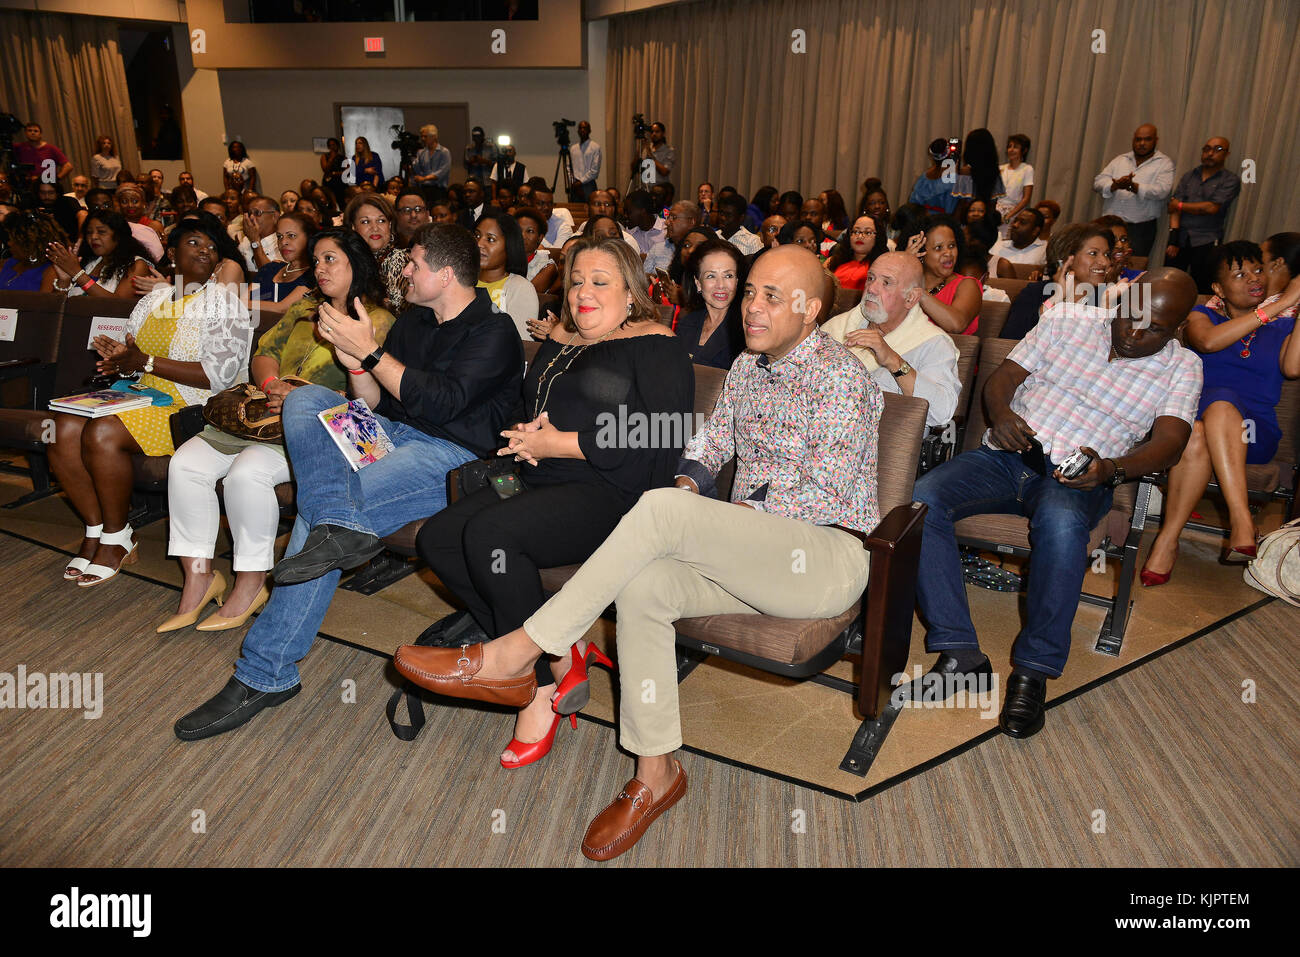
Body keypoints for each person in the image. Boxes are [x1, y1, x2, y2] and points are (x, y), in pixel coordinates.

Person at [392, 244, 882, 861]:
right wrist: (688, 494)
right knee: (643, 586)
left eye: (770, 297)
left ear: (810, 310)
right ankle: (657, 773)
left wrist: (697, 517)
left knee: (659, 511)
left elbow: (824, 496)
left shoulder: (839, 376)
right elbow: (706, 449)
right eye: (750, 291)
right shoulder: (748, 371)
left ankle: (519, 651)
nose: (751, 307)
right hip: (749, 553)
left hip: (820, 558)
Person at [173, 223, 524, 741]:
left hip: (448, 457)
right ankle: (337, 520)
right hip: (385, 431)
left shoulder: (495, 333)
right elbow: (374, 405)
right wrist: (356, 363)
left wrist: (374, 354)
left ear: (446, 275)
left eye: (415, 264)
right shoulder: (414, 322)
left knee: (319, 520)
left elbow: (442, 404)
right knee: (307, 399)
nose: (404, 271)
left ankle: (263, 673)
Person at [413, 235, 694, 767]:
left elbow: (662, 433)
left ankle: (536, 689)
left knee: (492, 536)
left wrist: (557, 443)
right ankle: (558, 649)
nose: (583, 293)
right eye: (577, 282)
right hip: (541, 481)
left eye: (600, 282)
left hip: (615, 495)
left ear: (631, 292)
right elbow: (538, 406)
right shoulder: (564, 338)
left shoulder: (656, 342)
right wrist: (528, 436)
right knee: (439, 538)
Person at [911, 267, 1202, 738]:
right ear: (1123, 299)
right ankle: (961, 651)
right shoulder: (1067, 319)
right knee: (921, 498)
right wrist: (1003, 414)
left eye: (1156, 329)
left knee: (1063, 528)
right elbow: (1002, 378)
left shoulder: (1182, 365)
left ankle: (1033, 671)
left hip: (1080, 477)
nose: (1134, 332)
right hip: (1008, 456)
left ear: (1179, 329)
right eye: (1131, 316)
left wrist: (1110, 469)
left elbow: (1171, 441)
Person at [163, 229, 397, 633]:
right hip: (266, 415)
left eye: (330, 260)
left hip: (334, 423)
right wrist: (274, 388)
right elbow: (265, 352)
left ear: (356, 264)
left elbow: (372, 397)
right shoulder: (306, 306)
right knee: (185, 464)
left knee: (247, 473)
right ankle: (200, 576)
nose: (319, 269)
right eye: (317, 260)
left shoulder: (379, 319)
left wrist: (301, 398)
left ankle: (252, 582)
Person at [50, 217, 254, 587]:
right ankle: (97, 528)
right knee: (62, 428)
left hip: (193, 406)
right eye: (194, 243)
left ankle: (116, 538)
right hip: (141, 394)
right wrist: (119, 361)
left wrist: (142, 362)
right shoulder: (153, 299)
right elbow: (134, 363)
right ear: (172, 255)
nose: (206, 250)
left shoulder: (226, 304)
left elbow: (219, 376)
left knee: (102, 433)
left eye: (211, 245)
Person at [1141, 243, 1300, 584]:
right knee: (1197, 431)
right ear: (1218, 288)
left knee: (1221, 405)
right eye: (1239, 274)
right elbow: (1210, 343)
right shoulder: (1202, 315)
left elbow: (1293, 368)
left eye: (1258, 270)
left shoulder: (1283, 327)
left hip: (1253, 433)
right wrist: (1282, 303)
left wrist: (1295, 312)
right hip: (1195, 430)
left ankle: (1224, 523)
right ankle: (1183, 536)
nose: (1253, 279)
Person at [822, 251, 961, 429]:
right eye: (871, 278)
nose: (872, 288)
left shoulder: (932, 343)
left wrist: (892, 360)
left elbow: (941, 412)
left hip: (879, 445)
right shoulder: (837, 327)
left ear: (911, 298)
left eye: (886, 283)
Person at [1001, 223, 1115, 341]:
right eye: (1093, 253)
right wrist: (1056, 299)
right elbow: (1010, 341)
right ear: (1065, 258)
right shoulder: (1035, 293)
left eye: (1106, 254)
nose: (1105, 262)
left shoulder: (1109, 299)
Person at [1168, 137, 1242, 293]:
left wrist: (1181, 205)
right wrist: (1173, 239)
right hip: (1180, 238)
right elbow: (1173, 208)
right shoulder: (1189, 176)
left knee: (1202, 286)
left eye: (1217, 149)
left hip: (1207, 239)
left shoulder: (1230, 180)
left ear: (1227, 154)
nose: (1210, 153)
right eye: (1207, 149)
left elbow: (1211, 208)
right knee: (1169, 282)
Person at [1092, 124, 1175, 258]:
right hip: (1109, 226)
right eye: (1138, 139)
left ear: (1156, 140)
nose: (1142, 143)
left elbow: (1162, 191)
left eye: (1147, 139)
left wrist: (1134, 187)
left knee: (1132, 268)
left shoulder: (1164, 163)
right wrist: (1115, 185)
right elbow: (1098, 182)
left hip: (1140, 230)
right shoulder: (1120, 160)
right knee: (1102, 262)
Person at [46, 209, 153, 298]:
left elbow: (118, 306)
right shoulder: (89, 262)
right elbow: (54, 309)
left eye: (101, 232)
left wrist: (77, 273)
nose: (93, 237)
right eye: (89, 232)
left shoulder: (137, 265)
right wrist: (64, 280)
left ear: (119, 235)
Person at [674, 238, 747, 368]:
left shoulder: (746, 329)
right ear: (698, 284)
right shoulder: (687, 323)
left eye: (728, 276)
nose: (720, 285)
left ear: (737, 281)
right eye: (711, 276)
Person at [475, 211, 538, 339]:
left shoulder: (520, 288)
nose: (479, 244)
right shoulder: (460, 280)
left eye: (490, 239)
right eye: (476, 236)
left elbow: (519, 344)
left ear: (509, 246)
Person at [916, 214, 981, 335]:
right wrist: (904, 265)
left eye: (952, 246)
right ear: (920, 253)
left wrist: (917, 292)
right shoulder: (907, 283)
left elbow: (956, 324)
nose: (948, 253)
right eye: (938, 248)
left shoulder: (967, 284)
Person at [343, 193, 408, 314]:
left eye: (381, 220)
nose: (375, 227)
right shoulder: (347, 259)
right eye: (365, 222)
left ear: (390, 225)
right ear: (353, 227)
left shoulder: (399, 259)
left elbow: (395, 311)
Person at [250, 212, 317, 315]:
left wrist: (238, 304)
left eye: (291, 235)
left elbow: (282, 308)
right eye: (279, 236)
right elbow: (244, 299)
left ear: (309, 238)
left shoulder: (314, 274)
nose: (283, 242)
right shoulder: (271, 268)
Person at [952, 128, 1006, 228]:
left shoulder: (965, 172)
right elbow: (993, 205)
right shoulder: (995, 173)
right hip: (986, 225)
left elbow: (961, 204)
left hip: (967, 225)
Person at [0, 210, 61, 292]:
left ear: (27, 243)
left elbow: (45, 303)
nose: (9, 243)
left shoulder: (51, 271)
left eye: (12, 239)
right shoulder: (6, 263)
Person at [826, 214, 886, 290]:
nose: (860, 236)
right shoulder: (833, 261)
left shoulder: (883, 266)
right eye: (856, 231)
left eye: (867, 232)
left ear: (878, 237)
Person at [645, 199, 699, 277]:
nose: (667, 222)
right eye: (668, 217)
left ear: (691, 222)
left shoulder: (702, 251)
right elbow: (642, 280)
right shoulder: (657, 248)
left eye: (673, 217)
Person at [988, 208, 1047, 279]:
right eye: (1015, 221)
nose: (1015, 225)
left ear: (1035, 231)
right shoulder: (997, 246)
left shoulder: (1045, 250)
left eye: (1022, 222)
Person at [996, 134, 1035, 238]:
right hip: (997, 212)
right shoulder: (1000, 168)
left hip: (1015, 212)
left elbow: (1026, 198)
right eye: (1009, 146)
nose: (1011, 150)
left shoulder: (1027, 169)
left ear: (1024, 150)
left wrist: (1008, 216)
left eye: (1015, 147)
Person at [514, 207, 559, 297]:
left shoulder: (547, 267)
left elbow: (525, 297)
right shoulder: (502, 259)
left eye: (530, 231)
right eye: (518, 230)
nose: (522, 236)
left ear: (540, 238)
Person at [909, 139, 960, 215]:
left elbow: (913, 203)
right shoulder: (953, 179)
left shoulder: (923, 178)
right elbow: (951, 209)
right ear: (949, 154)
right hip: (941, 222)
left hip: (921, 220)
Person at [12, 122, 72, 186]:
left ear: (40, 134)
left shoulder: (51, 149)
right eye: (29, 130)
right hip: (27, 185)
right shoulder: (19, 147)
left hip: (47, 185)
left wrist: (56, 179)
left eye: (35, 131)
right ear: (26, 133)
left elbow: (68, 166)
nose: (32, 133)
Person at [238, 195, 281, 271]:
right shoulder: (245, 240)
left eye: (257, 213)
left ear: (275, 216)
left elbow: (269, 276)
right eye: (249, 213)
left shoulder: (281, 241)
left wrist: (255, 241)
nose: (251, 217)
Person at [1094, 215, 1141, 282]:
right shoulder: (1086, 277)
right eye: (1113, 240)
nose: (1120, 245)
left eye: (1124, 240)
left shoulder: (1137, 277)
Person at [568, 120, 602, 201]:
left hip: (588, 185)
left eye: (585, 128)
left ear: (589, 130)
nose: (582, 130)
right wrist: (573, 181)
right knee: (574, 210)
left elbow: (594, 171)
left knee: (589, 209)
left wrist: (580, 182)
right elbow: (569, 167)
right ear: (578, 131)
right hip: (574, 184)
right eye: (580, 128)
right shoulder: (573, 148)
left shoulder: (595, 147)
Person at [634, 122, 676, 187]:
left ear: (663, 133)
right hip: (644, 187)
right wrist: (640, 149)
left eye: (657, 132)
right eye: (652, 132)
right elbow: (634, 168)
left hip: (660, 188)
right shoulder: (646, 147)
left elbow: (664, 172)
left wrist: (651, 155)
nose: (654, 134)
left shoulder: (669, 151)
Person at [411, 124, 452, 190]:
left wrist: (424, 178)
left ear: (434, 137)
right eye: (421, 136)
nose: (423, 139)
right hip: (424, 188)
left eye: (425, 136)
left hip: (439, 189)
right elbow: (417, 170)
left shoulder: (444, 152)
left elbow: (442, 172)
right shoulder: (421, 152)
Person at [320, 138, 346, 203]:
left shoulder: (343, 157)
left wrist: (335, 173)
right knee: (330, 201)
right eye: (330, 145)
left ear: (338, 145)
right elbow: (325, 169)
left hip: (340, 182)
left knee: (341, 200)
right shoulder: (325, 156)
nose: (332, 147)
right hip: (329, 182)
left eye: (334, 145)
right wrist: (331, 158)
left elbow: (346, 171)